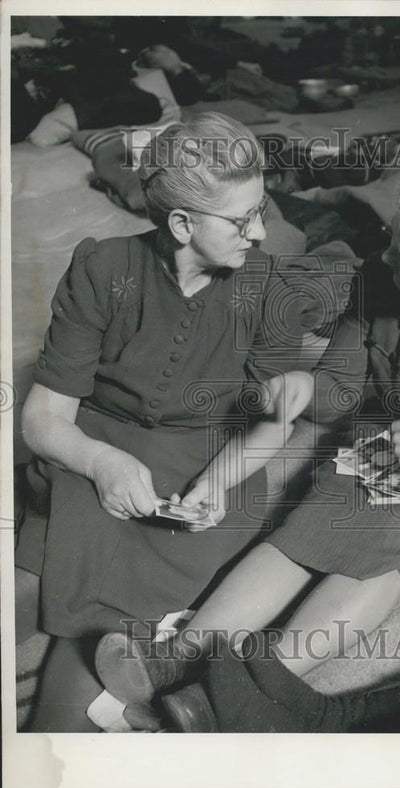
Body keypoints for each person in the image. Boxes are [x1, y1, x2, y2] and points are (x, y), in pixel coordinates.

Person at [95, 167, 400, 732]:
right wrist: (304, 389)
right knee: (321, 507)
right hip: (395, 451)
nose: (385, 257)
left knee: (392, 538)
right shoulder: (379, 276)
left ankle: (231, 695)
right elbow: (342, 387)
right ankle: (184, 653)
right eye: (393, 237)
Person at [15, 112, 314, 732]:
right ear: (181, 223)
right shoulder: (104, 269)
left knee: (185, 544)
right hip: (98, 439)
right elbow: (44, 417)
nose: (260, 232)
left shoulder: (268, 286)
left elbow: (270, 428)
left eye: (263, 209)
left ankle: (85, 713)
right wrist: (102, 463)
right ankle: (69, 723)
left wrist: (217, 483)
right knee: (85, 528)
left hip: (209, 455)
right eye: (241, 220)